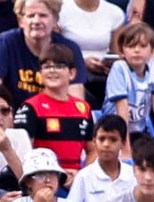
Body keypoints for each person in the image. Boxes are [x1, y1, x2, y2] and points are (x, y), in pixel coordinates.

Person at [0, 0, 87, 108]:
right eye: (30, 16)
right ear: (20, 21)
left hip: (56, 119)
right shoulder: (5, 43)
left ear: (55, 20)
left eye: (43, 15)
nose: (36, 21)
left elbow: (77, 103)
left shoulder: (70, 49)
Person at [13, 42, 95, 174]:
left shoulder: (83, 108)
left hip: (75, 181)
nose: (52, 70)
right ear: (40, 73)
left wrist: (81, 176)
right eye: (46, 66)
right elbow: (23, 153)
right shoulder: (30, 108)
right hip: (44, 179)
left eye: (59, 66)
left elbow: (93, 150)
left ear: (72, 73)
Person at [67, 115, 134, 202]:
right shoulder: (84, 176)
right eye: (101, 139)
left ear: (123, 143)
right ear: (94, 141)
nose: (106, 144)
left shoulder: (132, 175)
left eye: (113, 139)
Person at [58, 0, 125, 106]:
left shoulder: (115, 13)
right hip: (71, 74)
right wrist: (82, 62)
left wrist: (109, 63)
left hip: (103, 77)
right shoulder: (60, 10)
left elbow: (117, 54)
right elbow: (55, 52)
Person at [100, 21, 154, 143]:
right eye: (131, 46)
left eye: (142, 46)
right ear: (122, 52)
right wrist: (125, 145)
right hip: (113, 130)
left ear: (152, 50)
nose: (137, 50)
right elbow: (122, 107)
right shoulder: (119, 68)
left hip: (139, 131)